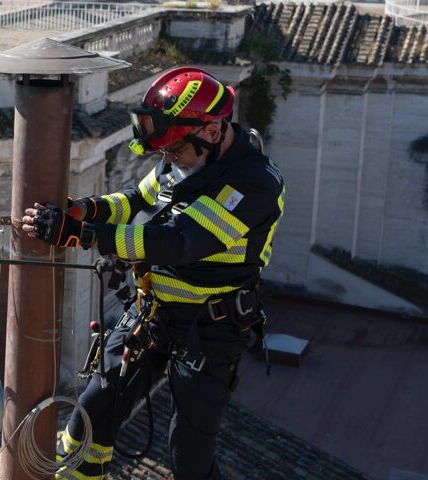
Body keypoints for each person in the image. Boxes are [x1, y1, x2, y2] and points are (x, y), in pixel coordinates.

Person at [20, 67, 284, 480]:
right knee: (91, 415)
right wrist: (86, 209)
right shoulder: (182, 154)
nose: (168, 160)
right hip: (152, 313)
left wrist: (82, 236)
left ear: (212, 133)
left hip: (209, 330)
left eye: (173, 151)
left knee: (189, 452)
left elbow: (177, 241)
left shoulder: (253, 186)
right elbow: (137, 200)